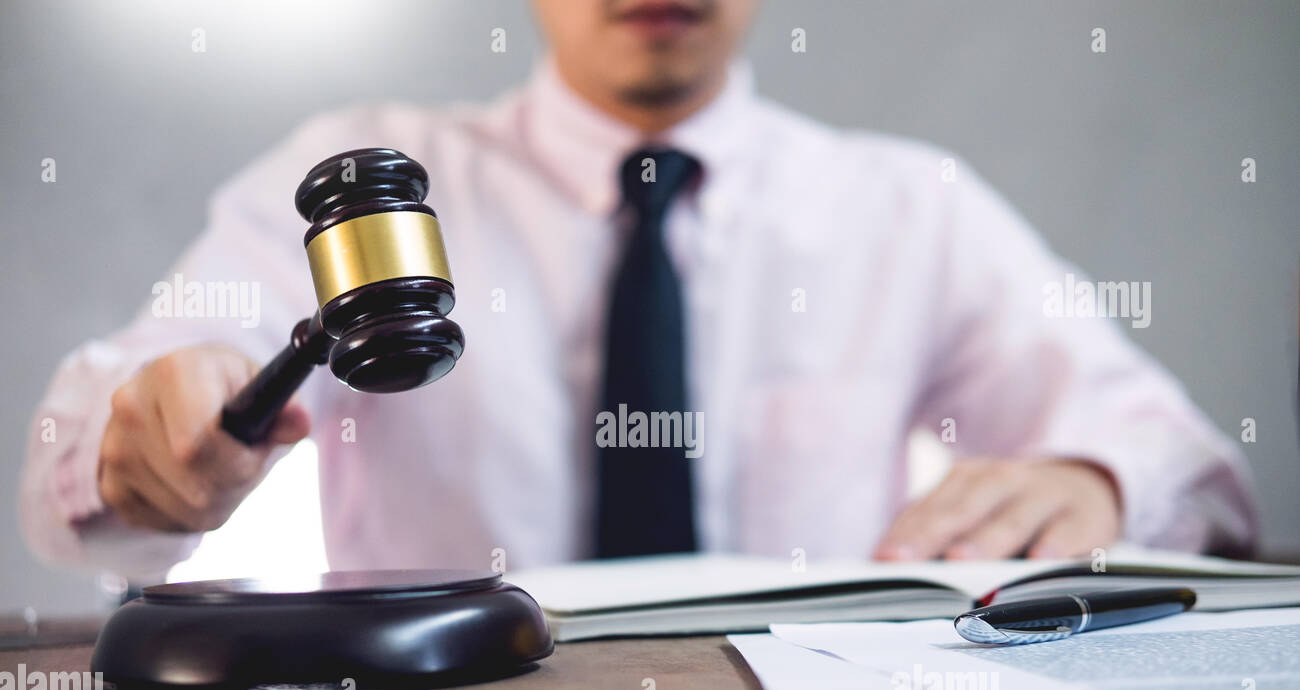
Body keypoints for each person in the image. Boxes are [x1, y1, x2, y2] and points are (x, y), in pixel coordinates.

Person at [19, 0, 1256, 579]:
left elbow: (1187, 462)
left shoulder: (909, 206)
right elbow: (107, 434)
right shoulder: (360, 173)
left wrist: (1095, 477)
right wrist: (146, 434)